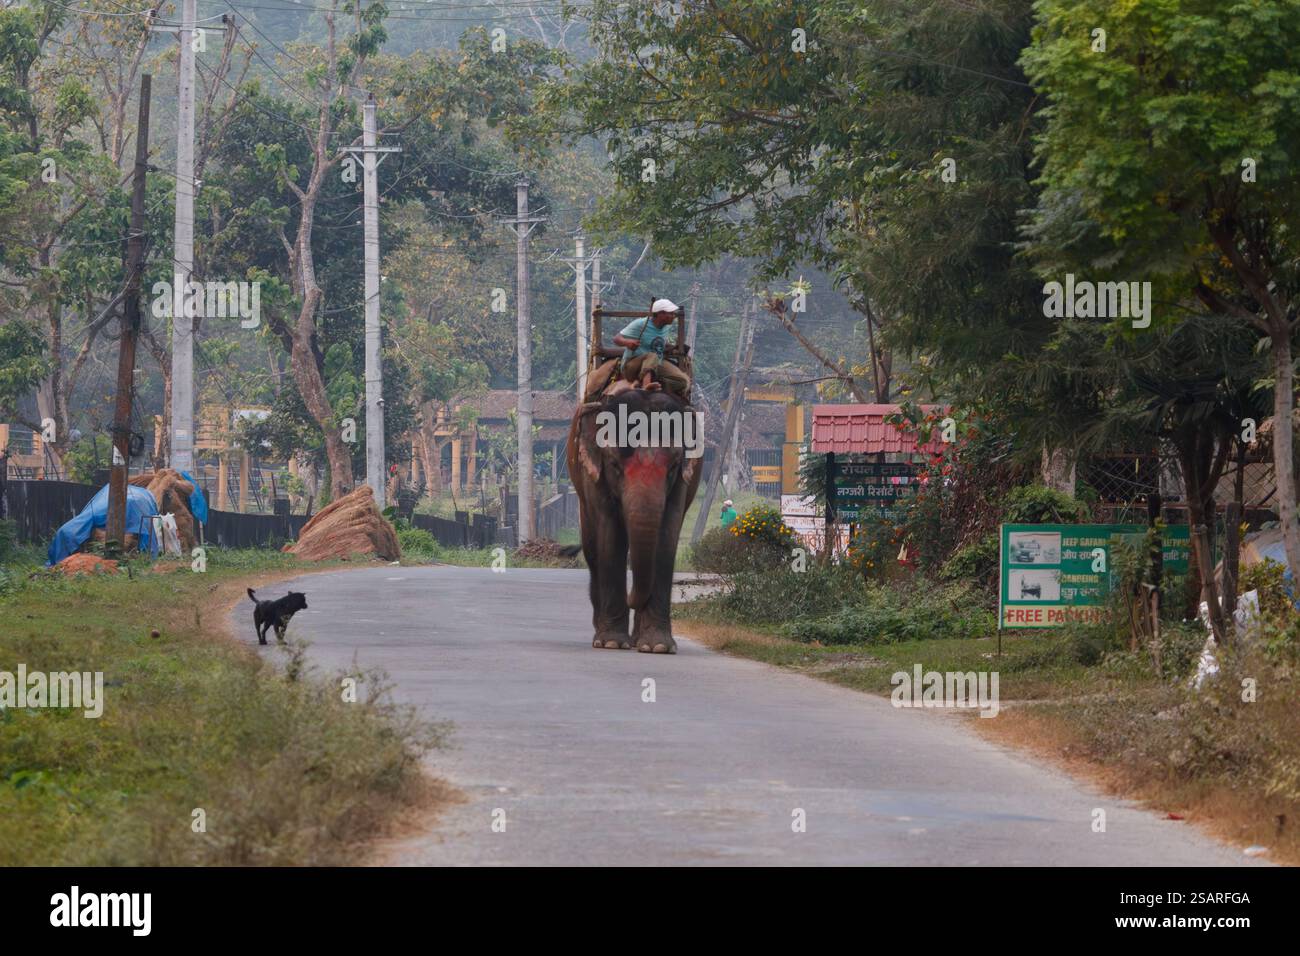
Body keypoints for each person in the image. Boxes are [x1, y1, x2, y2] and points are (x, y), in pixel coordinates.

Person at [614, 298, 691, 397]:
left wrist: (673, 348)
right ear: (660, 314)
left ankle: (654, 384)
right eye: (670, 313)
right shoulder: (640, 324)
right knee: (652, 356)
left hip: (656, 364)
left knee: (683, 382)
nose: (673, 316)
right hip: (632, 366)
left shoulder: (666, 327)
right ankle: (646, 386)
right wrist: (627, 342)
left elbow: (659, 344)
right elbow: (616, 339)